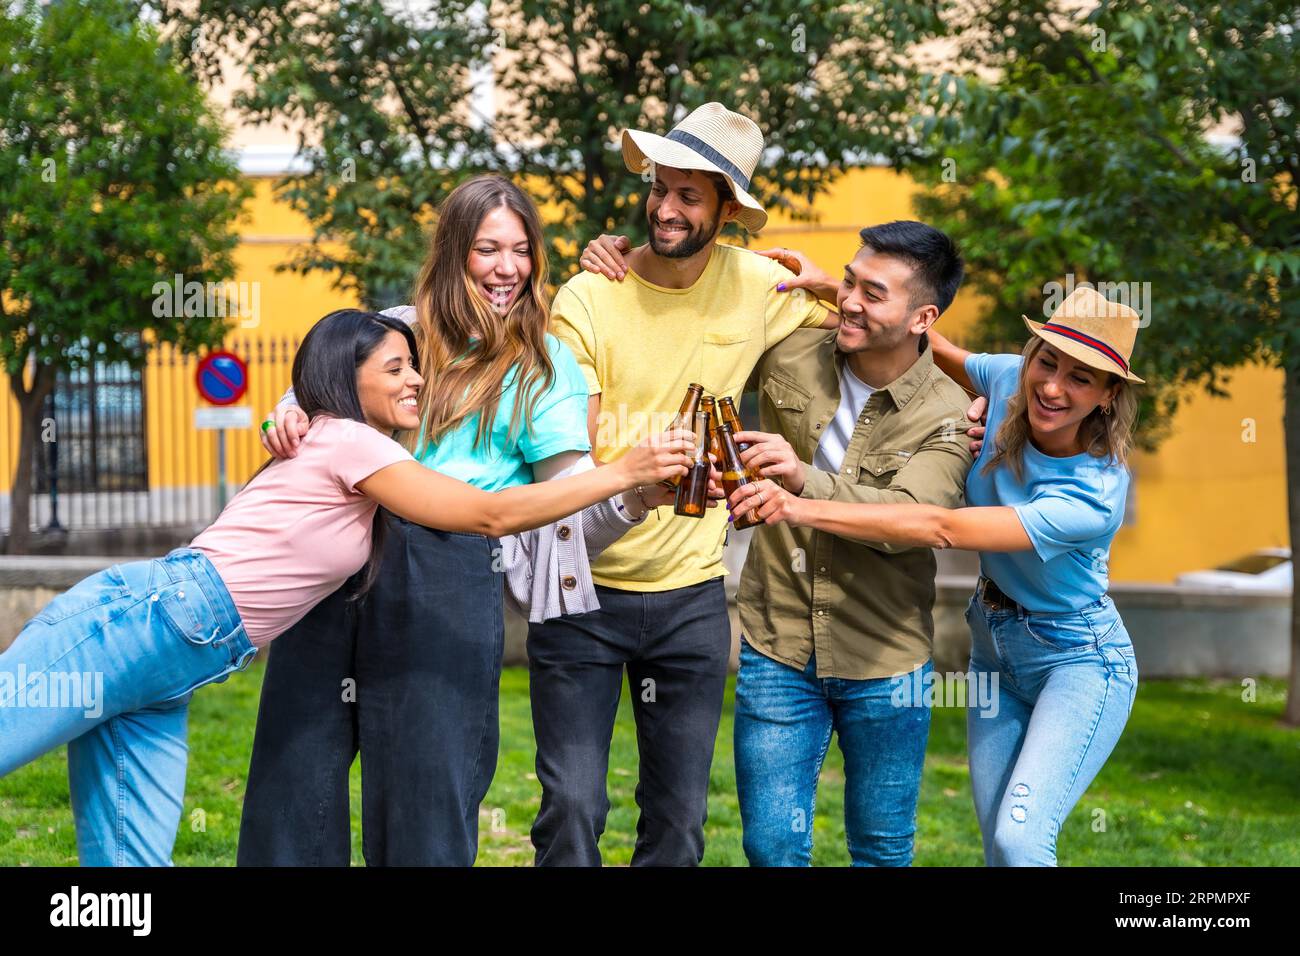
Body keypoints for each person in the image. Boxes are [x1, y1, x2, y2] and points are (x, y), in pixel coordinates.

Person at [0, 308, 692, 866]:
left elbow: (507, 500)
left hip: (177, 669)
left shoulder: (358, 461)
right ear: (346, 379)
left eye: (414, 365)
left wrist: (636, 494)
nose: (416, 380)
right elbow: (490, 513)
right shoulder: (352, 442)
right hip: (137, 621)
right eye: (395, 368)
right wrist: (622, 470)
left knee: (127, 865)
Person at [237, 175, 690, 867]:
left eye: (521, 250)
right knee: (293, 783)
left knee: (426, 801)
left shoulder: (545, 367)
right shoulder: (395, 331)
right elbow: (297, 401)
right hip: (336, 555)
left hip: (444, 574)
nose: (506, 268)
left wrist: (632, 495)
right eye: (487, 249)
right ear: (453, 253)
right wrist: (281, 417)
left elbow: (566, 508)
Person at [727, 285, 1143, 866]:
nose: (1052, 387)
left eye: (1080, 378)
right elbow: (922, 335)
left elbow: (943, 528)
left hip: (1077, 657)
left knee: (1020, 839)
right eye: (1046, 363)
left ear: (1107, 395)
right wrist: (829, 287)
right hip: (994, 646)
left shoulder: (1094, 492)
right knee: (998, 841)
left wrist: (798, 502)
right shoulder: (1004, 380)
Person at [534, 101, 840, 866]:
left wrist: (833, 288)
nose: (665, 209)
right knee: (572, 805)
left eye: (688, 195)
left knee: (678, 820)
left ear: (728, 210)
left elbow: (885, 329)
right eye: (658, 189)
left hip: (691, 598)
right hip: (581, 589)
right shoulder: (588, 295)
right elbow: (578, 452)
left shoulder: (761, 285)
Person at [724, 221, 973, 866]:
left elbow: (914, 517)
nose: (852, 303)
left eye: (874, 293)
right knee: (771, 846)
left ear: (925, 317)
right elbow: (701, 340)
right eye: (850, 281)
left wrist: (801, 485)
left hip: (886, 659)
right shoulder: (791, 352)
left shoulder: (949, 411)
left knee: (882, 849)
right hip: (776, 642)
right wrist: (625, 259)